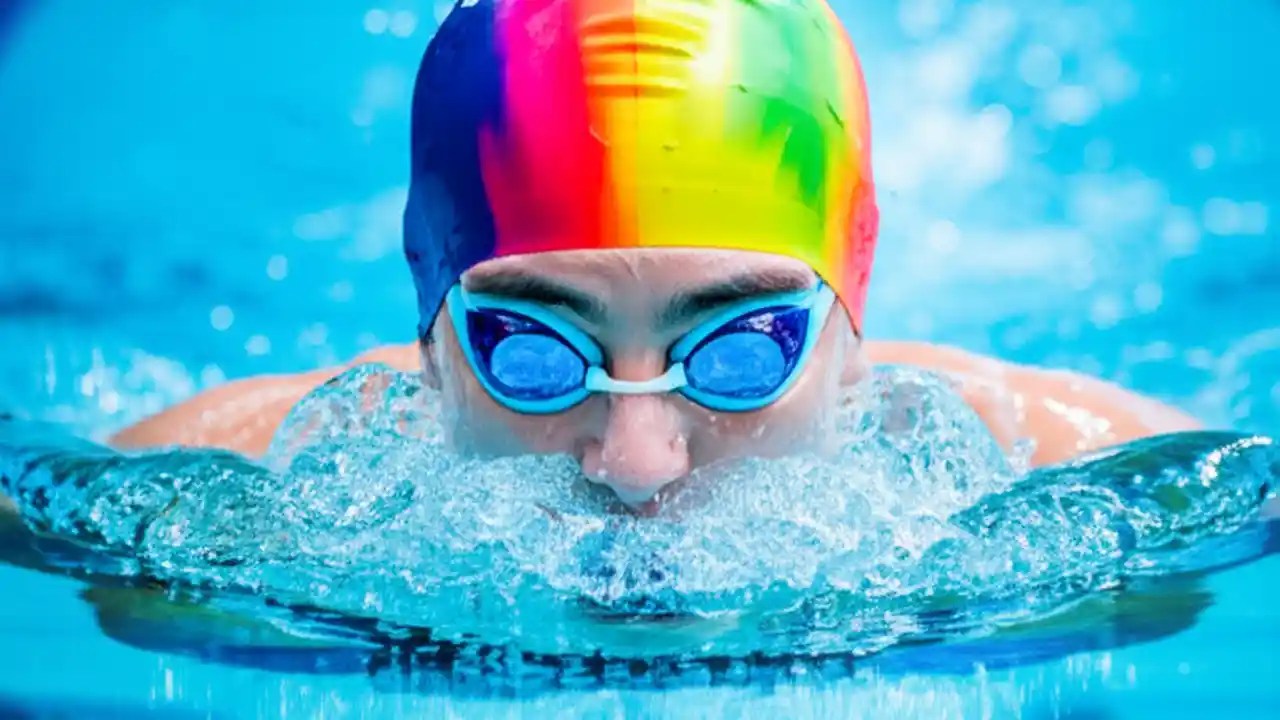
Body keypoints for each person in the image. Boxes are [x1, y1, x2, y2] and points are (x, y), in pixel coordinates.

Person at [111, 0, 1198, 512]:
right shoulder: (230, 482)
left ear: (851, 330)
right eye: (529, 350)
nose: (634, 464)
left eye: (742, 346)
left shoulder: (1070, 464)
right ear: (433, 340)